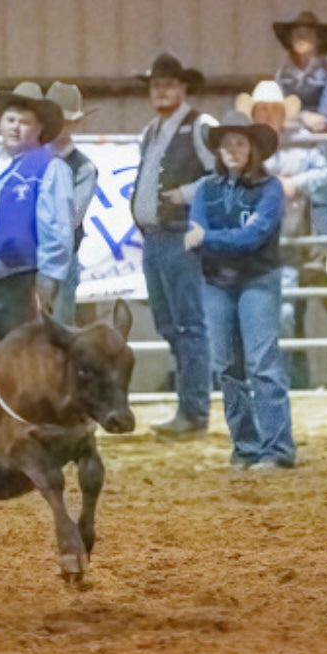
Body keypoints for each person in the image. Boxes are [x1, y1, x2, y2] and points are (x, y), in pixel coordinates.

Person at [185, 111, 294, 470]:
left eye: (239, 142)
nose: (232, 149)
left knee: (262, 363)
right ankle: (246, 446)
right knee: (228, 367)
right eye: (226, 143)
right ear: (218, 150)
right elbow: (200, 237)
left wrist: (211, 238)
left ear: (252, 149)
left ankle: (277, 449)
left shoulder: (270, 188)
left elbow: (252, 237)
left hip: (256, 281)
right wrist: (217, 240)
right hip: (220, 283)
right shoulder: (207, 190)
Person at [130, 54, 216, 438]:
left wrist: (184, 194)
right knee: (171, 324)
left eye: (168, 84)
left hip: (181, 235)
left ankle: (194, 411)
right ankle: (190, 406)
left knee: (187, 325)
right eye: (156, 85)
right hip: (155, 236)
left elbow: (224, 175)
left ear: (183, 88)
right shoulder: (151, 131)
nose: (161, 90)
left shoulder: (201, 127)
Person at [238, 80, 327, 388]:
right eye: (261, 109)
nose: (267, 115)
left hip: (288, 246)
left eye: (273, 110)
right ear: (253, 114)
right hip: (249, 250)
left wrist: (296, 184)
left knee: (288, 313)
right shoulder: (240, 148)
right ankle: (259, 382)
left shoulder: (302, 145)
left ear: (282, 114)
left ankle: (289, 382)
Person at [0, 82, 72, 344]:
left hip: (21, 285)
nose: (15, 127)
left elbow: (58, 229)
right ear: (0, 124)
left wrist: (47, 280)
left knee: (19, 362)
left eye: (25, 122)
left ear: (39, 129)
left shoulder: (49, 168)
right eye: (10, 119)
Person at [45, 81, 98, 324]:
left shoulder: (84, 168)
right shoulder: (33, 159)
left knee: (60, 325)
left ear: (75, 124)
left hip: (62, 258)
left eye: (67, 121)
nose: (61, 127)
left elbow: (71, 218)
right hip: (27, 259)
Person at [273, 11, 327, 133]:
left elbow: (325, 121)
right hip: (291, 141)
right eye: (297, 34)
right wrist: (303, 117)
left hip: (326, 142)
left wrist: (293, 118)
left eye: (307, 34)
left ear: (318, 40)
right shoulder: (282, 75)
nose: (301, 38)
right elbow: (278, 118)